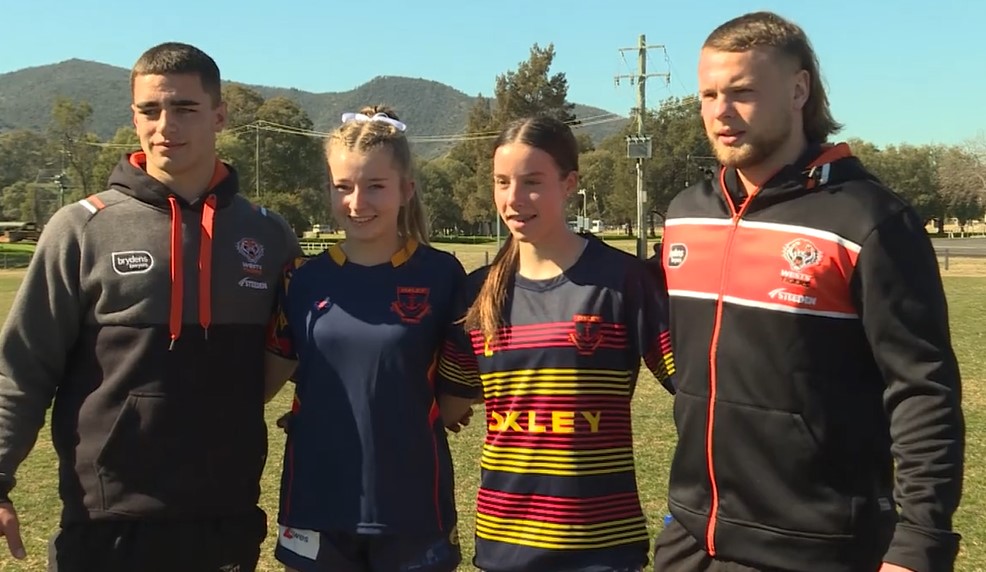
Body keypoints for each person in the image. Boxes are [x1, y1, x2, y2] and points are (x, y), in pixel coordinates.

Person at [654, 11, 964, 572]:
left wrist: (919, 544)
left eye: (743, 92)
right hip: (692, 542)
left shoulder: (870, 219)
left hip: (819, 548)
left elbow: (923, 389)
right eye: (708, 94)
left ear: (799, 90)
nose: (721, 112)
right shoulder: (684, 216)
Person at [0, 42, 302, 572]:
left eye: (185, 108)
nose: (166, 126)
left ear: (219, 115)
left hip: (224, 517)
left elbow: (315, 349)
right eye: (150, 110)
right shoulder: (82, 228)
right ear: (134, 116)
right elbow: (22, 366)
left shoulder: (269, 234)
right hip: (106, 521)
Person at [435, 115, 676, 572]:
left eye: (531, 182)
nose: (512, 199)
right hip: (505, 544)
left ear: (569, 184)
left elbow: (698, 391)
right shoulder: (475, 294)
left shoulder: (623, 282)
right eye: (501, 182)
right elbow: (445, 406)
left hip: (603, 546)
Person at [264, 106, 465, 572]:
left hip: (412, 503)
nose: (358, 202)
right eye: (343, 187)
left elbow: (457, 392)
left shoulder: (442, 275)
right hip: (316, 497)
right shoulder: (300, 278)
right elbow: (266, 380)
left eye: (375, 186)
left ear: (406, 190)